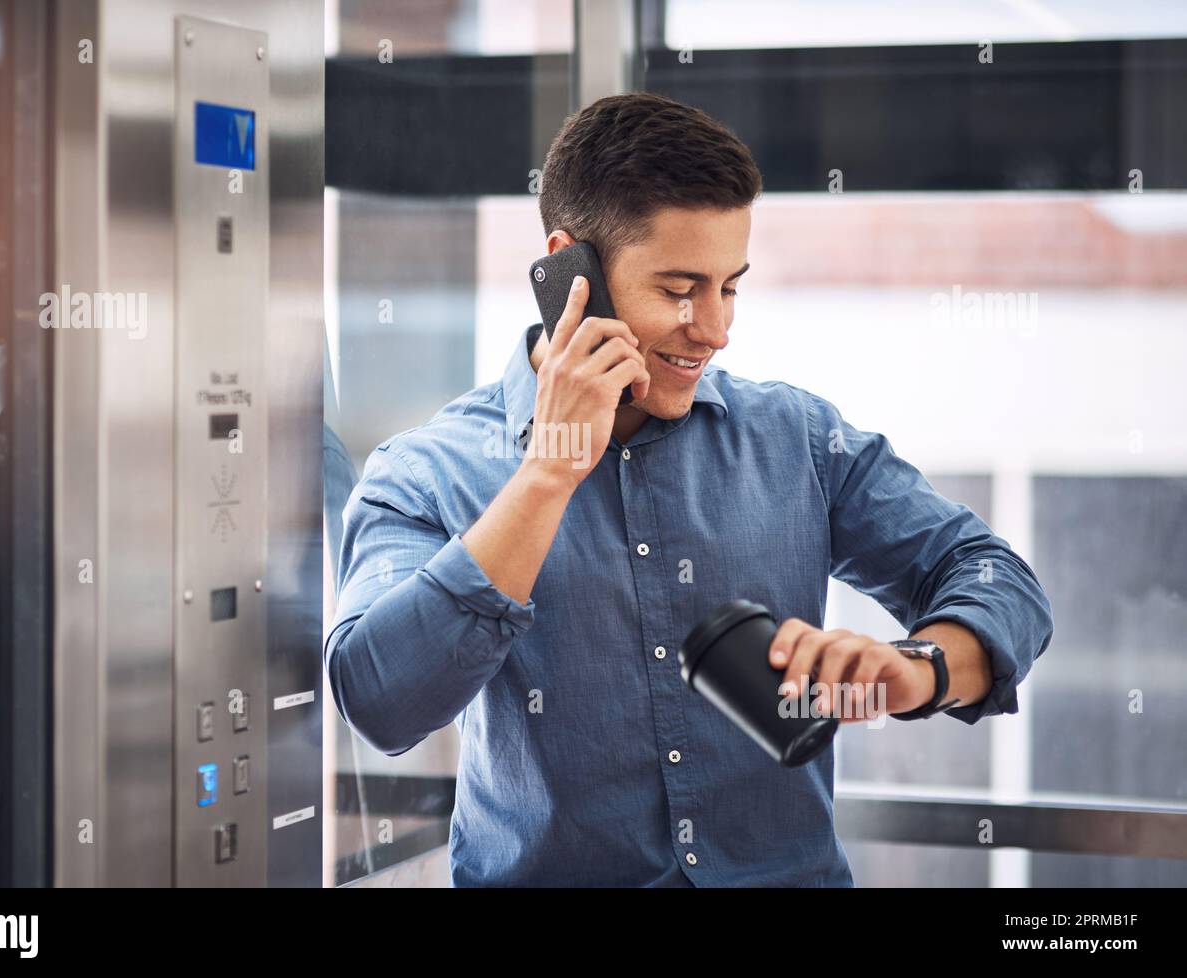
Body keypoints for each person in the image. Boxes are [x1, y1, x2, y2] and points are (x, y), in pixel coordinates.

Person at [324, 92, 1054, 887]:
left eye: (729, 287)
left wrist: (919, 668)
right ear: (572, 270)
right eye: (679, 289)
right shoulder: (425, 474)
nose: (714, 328)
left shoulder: (798, 441)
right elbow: (379, 702)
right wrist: (549, 472)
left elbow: (994, 575)